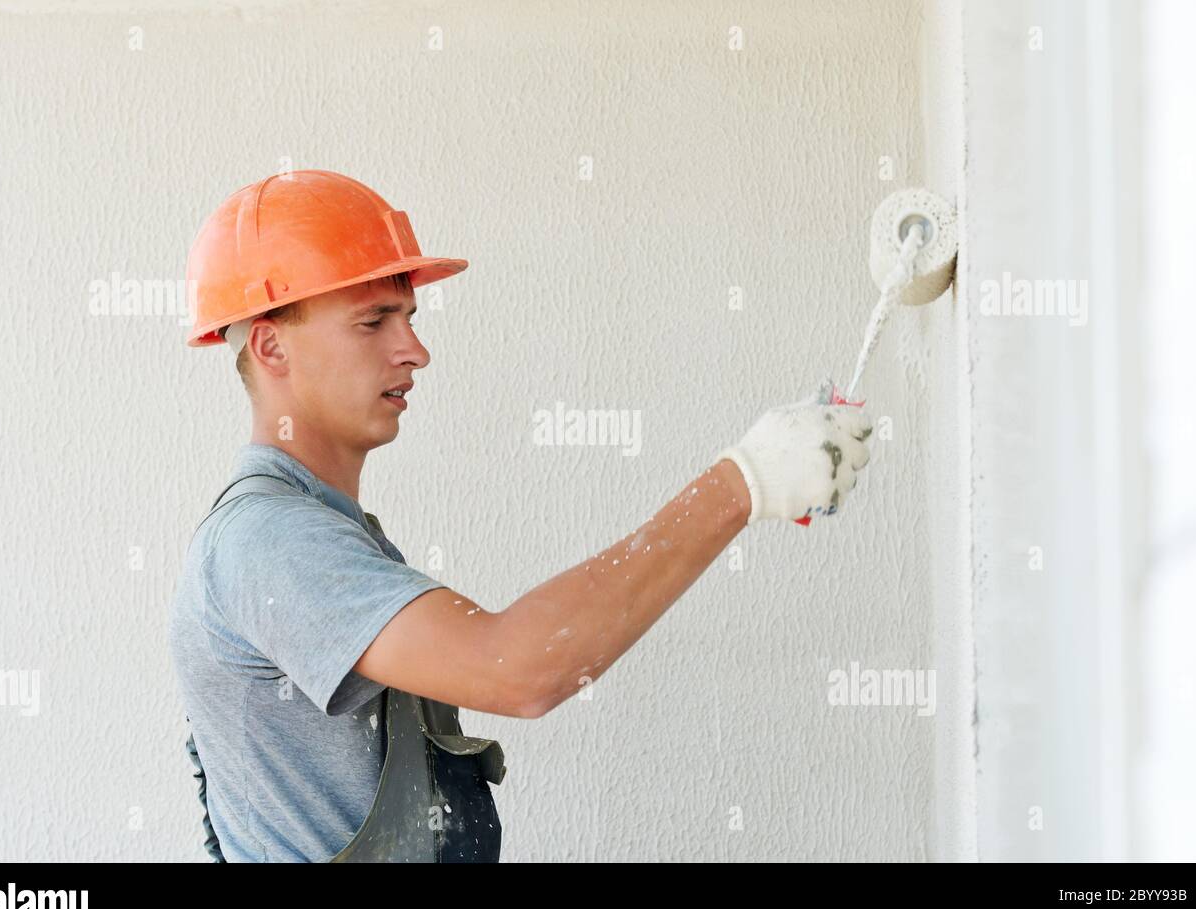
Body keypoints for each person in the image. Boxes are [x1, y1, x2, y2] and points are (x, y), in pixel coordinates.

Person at [168, 169, 874, 863]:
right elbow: (520, 669)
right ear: (270, 345)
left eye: (408, 317)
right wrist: (743, 483)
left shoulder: (329, 530)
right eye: (373, 320)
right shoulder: (270, 540)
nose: (414, 349)